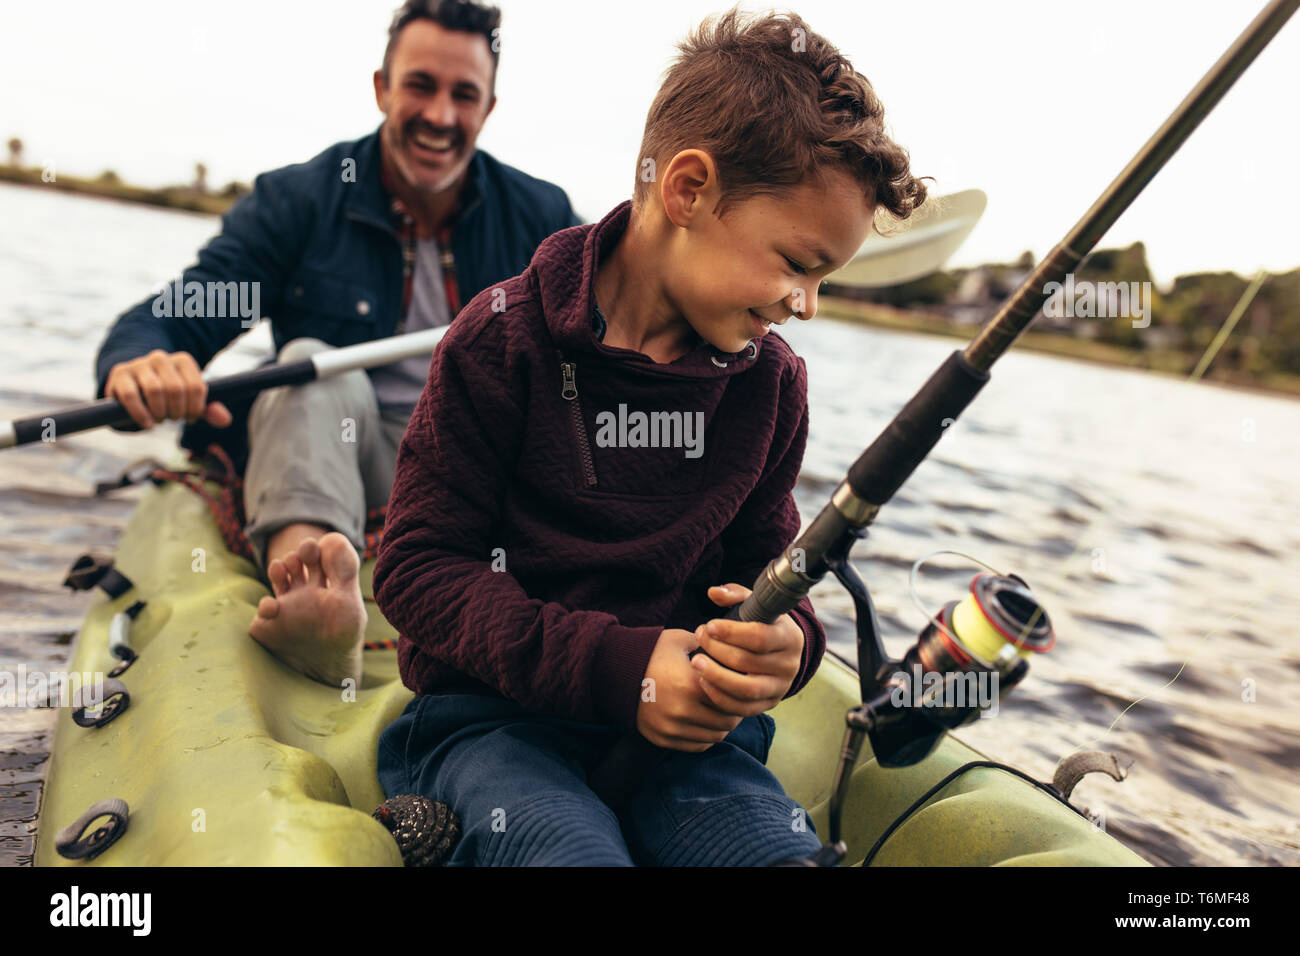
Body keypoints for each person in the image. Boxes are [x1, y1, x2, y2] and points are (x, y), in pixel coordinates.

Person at [372, 10, 927, 866]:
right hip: (495, 725)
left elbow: (767, 569)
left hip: (692, 750)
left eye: (823, 278)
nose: (806, 303)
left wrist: (791, 648)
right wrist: (620, 669)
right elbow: (416, 569)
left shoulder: (772, 386)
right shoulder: (499, 340)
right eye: (797, 263)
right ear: (689, 190)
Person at [93, 0, 579, 687]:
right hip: (343, 456)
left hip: (473, 467)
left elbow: (618, 320)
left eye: (462, 95)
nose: (440, 115)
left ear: (488, 109)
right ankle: (316, 590)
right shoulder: (301, 200)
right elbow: (180, 314)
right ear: (382, 88)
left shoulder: (542, 216)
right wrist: (141, 360)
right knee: (305, 365)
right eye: (420, 86)